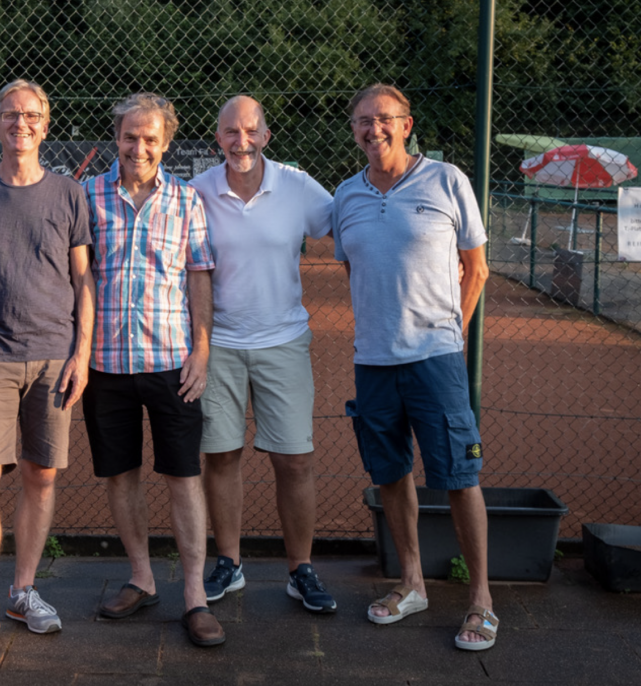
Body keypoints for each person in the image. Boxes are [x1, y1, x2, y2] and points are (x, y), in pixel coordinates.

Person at [333, 84, 496, 651]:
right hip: (373, 362)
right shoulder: (345, 195)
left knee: (458, 476)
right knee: (390, 474)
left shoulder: (448, 179)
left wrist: (450, 333)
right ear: (353, 130)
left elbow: (476, 268)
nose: (372, 129)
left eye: (383, 119)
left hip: (437, 360)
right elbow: (356, 269)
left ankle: (480, 598)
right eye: (362, 121)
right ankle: (412, 583)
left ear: (405, 124)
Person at [0, 79, 96, 655]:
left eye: (32, 115)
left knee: (41, 476)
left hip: (56, 360)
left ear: (45, 122)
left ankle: (23, 590)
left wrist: (81, 355)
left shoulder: (68, 193)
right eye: (10, 114)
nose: (22, 123)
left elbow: (83, 279)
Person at [81, 92, 224, 647]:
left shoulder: (187, 201)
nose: (138, 147)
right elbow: (79, 276)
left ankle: (194, 594)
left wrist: (203, 348)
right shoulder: (86, 195)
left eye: (150, 139)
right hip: (106, 364)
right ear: (116, 136)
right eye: (129, 136)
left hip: (172, 364)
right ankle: (141, 578)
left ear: (165, 143)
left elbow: (199, 276)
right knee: (121, 474)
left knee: (184, 477)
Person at [189, 95, 336, 612]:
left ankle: (301, 569)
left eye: (251, 131)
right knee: (221, 456)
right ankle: (228, 564)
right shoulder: (197, 191)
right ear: (218, 138)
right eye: (231, 131)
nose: (241, 141)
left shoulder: (297, 186)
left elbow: (348, 225)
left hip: (284, 343)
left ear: (266, 136)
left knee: (294, 461)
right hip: (219, 346)